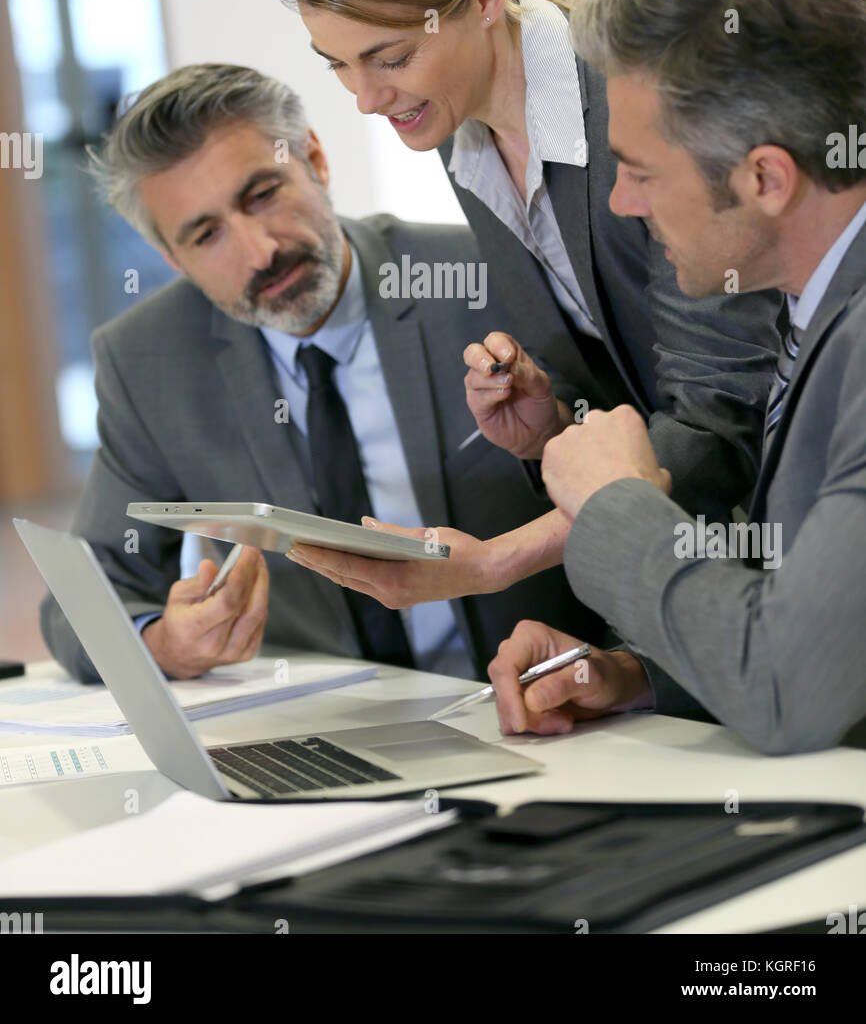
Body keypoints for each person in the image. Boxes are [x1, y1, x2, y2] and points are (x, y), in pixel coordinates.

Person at [271, 0, 781, 607]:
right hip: (691, 562)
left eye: (391, 57)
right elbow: (625, 389)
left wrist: (495, 561)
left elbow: (719, 415)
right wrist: (551, 419)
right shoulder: (459, 134)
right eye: (336, 64)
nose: (365, 99)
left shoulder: (643, 104)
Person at [39, 63, 602, 684]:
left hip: (533, 701)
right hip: (319, 732)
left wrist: (548, 431)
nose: (261, 252)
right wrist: (166, 644)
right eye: (206, 234)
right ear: (172, 258)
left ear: (314, 158)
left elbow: (632, 480)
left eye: (262, 195)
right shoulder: (148, 361)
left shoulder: (486, 278)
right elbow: (79, 602)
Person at [484, 0, 866, 755]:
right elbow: (832, 639)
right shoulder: (822, 309)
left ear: (766, 178)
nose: (621, 203)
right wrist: (634, 675)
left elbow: (789, 688)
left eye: (640, 172)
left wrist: (616, 500)